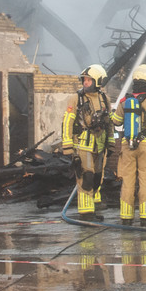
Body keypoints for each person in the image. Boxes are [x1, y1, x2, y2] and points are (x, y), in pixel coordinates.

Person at [110, 64, 146, 227]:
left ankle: (126, 218)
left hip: (127, 146)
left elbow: (115, 122)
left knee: (128, 181)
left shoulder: (124, 101)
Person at [61, 64, 112, 220]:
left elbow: (108, 122)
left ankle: (93, 210)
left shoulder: (104, 98)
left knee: (97, 178)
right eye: (84, 80)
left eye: (89, 80)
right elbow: (67, 122)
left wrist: (111, 142)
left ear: (98, 81)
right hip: (83, 144)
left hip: (100, 146)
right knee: (86, 177)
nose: (85, 83)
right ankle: (86, 213)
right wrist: (68, 146)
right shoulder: (75, 98)